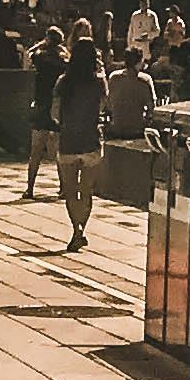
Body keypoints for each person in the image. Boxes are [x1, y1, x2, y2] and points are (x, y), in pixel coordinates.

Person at [52, 29, 106, 250]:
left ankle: (77, 229)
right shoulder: (99, 82)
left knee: (70, 190)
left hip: (68, 141)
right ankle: (82, 227)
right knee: (86, 190)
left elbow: (54, 114)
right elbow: (103, 106)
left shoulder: (63, 82)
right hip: (91, 139)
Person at [19, 26, 66, 204]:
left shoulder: (39, 57)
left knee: (36, 151)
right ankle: (62, 187)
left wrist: (42, 44)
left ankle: (30, 187)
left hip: (40, 104)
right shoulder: (62, 62)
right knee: (58, 151)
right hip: (56, 106)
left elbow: (28, 53)